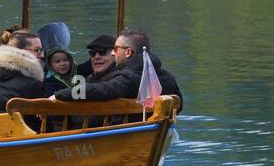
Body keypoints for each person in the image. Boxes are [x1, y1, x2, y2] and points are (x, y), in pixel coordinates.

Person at [51, 28, 183, 109]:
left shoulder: (128, 77)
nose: (114, 53)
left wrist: (60, 94)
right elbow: (179, 106)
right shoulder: (168, 77)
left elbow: (104, 90)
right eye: (93, 53)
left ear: (128, 52)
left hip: (123, 135)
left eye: (115, 49)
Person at [0, 32, 46, 114]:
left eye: (42, 50)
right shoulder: (32, 85)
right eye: (37, 50)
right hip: (19, 127)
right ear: (20, 52)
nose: (42, 55)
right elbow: (43, 121)